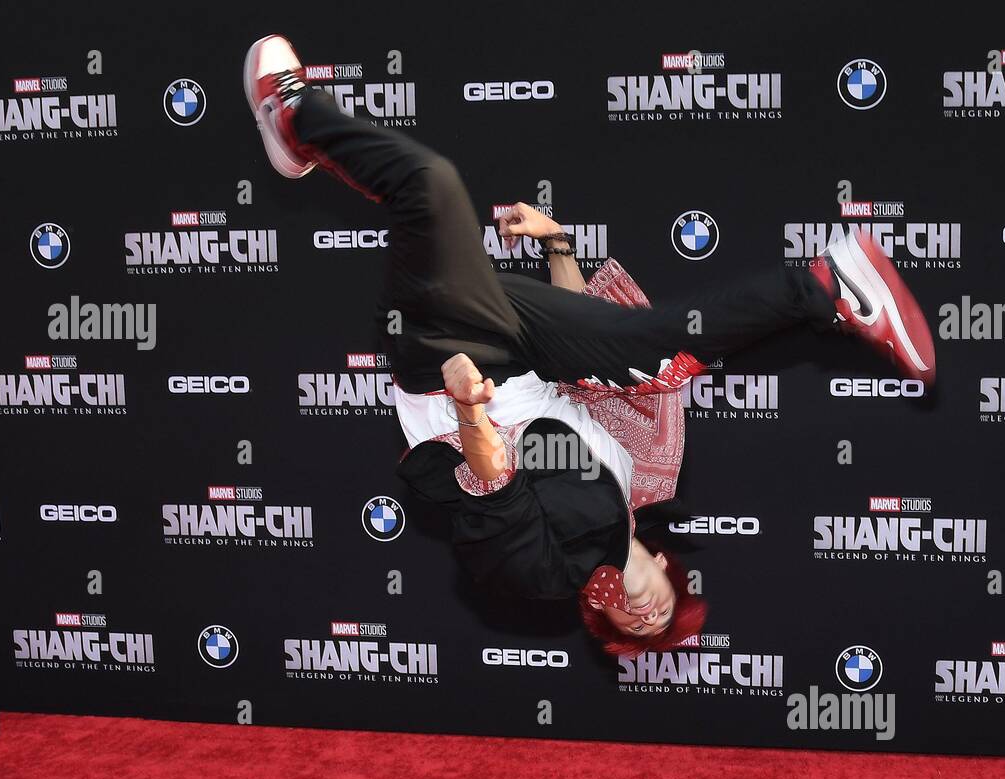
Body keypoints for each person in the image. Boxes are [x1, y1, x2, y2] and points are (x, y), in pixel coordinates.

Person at [243, 34, 936, 653]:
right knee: (653, 354)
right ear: (668, 571)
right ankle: (827, 284)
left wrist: (470, 411)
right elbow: (598, 344)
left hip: (457, 371)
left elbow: (494, 490)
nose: (642, 612)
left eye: (633, 628)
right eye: (659, 611)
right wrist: (558, 243)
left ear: (597, 616)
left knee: (431, 184)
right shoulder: (650, 470)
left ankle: (295, 111)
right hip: (532, 344)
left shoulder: (550, 571)